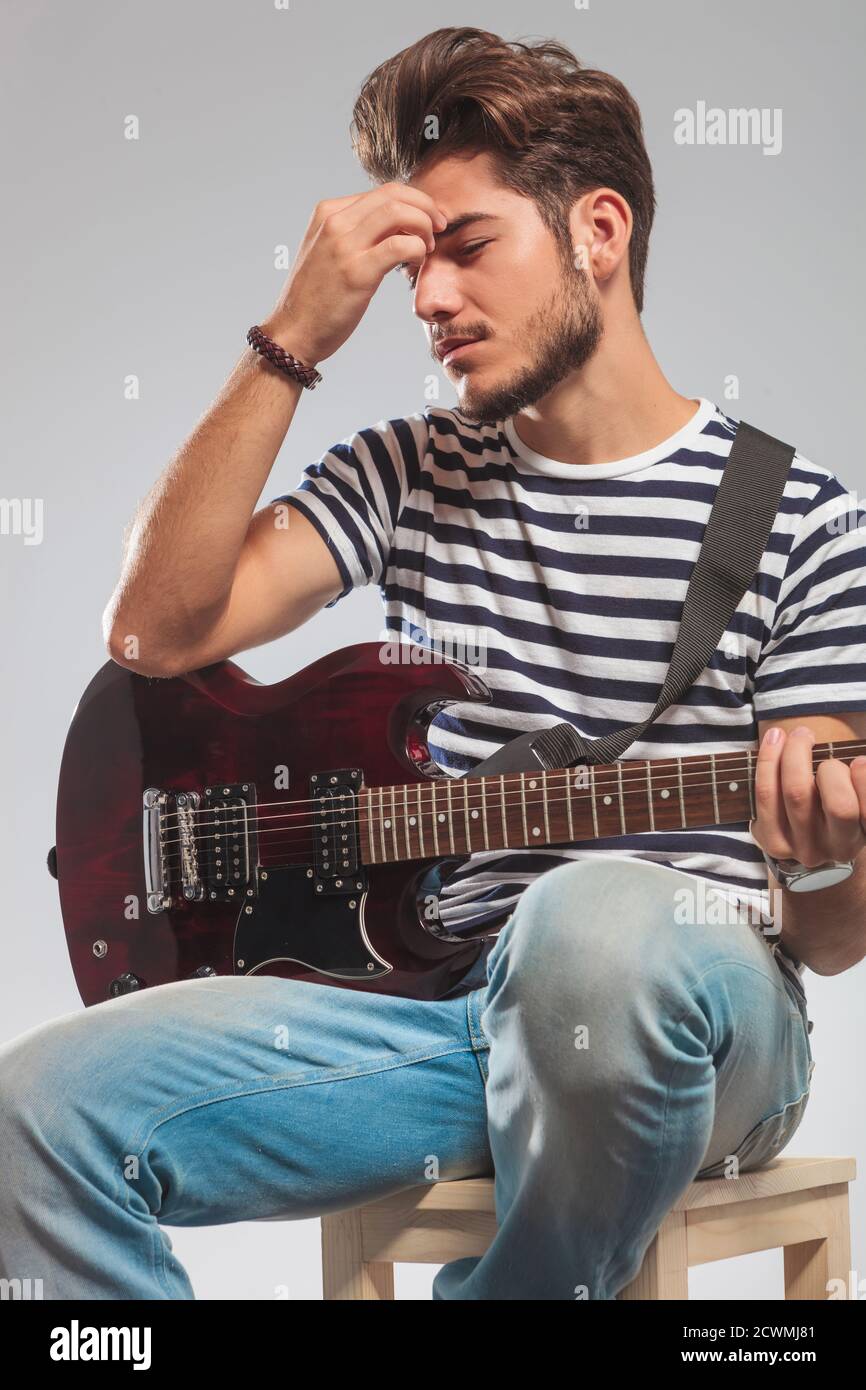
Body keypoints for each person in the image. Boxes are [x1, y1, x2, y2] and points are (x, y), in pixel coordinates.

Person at [2, 26, 866, 1301]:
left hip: (694, 1026)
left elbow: (832, 939)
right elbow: (152, 634)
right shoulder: (410, 473)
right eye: (414, 265)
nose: (428, 302)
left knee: (591, 930)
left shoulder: (805, 522)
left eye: (467, 249)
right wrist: (290, 336)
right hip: (431, 1020)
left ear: (598, 232)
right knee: (36, 1113)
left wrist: (825, 853)